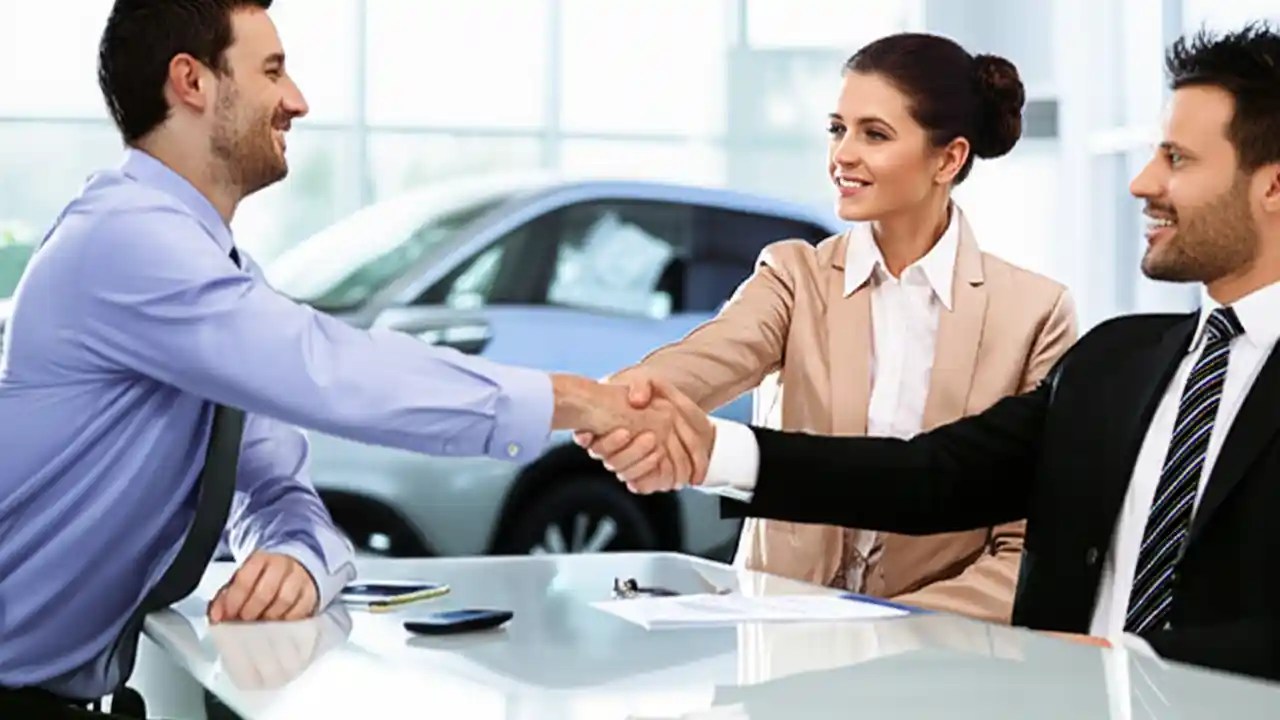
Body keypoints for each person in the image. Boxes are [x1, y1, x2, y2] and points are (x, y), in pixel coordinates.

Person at [0, 1, 684, 715]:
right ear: (192, 82)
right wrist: (579, 400)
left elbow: (276, 489)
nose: (296, 101)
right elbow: (334, 369)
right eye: (272, 71)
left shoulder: (215, 274)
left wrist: (298, 556)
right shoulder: (125, 240)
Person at [592, 23, 1280, 682]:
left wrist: (1123, 662)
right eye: (837, 129)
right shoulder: (1118, 361)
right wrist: (698, 443)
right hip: (1009, 697)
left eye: (1177, 159)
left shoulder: (1037, 311)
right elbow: (932, 476)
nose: (1140, 182)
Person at [578, 32, 1076, 622]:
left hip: (937, 670)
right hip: (781, 663)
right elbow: (703, 362)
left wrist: (885, 632)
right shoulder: (794, 276)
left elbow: (1026, 547)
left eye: (875, 134)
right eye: (838, 129)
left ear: (949, 158)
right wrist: (618, 401)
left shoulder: (1036, 313)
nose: (842, 154)